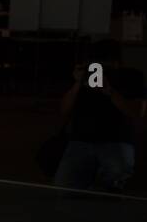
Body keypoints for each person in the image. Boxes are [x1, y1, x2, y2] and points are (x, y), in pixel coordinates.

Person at [54, 39, 145, 192]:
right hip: (81, 139)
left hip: (116, 139)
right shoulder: (83, 76)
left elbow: (136, 112)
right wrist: (77, 83)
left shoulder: (132, 76)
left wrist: (109, 91)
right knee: (63, 187)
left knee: (114, 182)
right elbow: (63, 110)